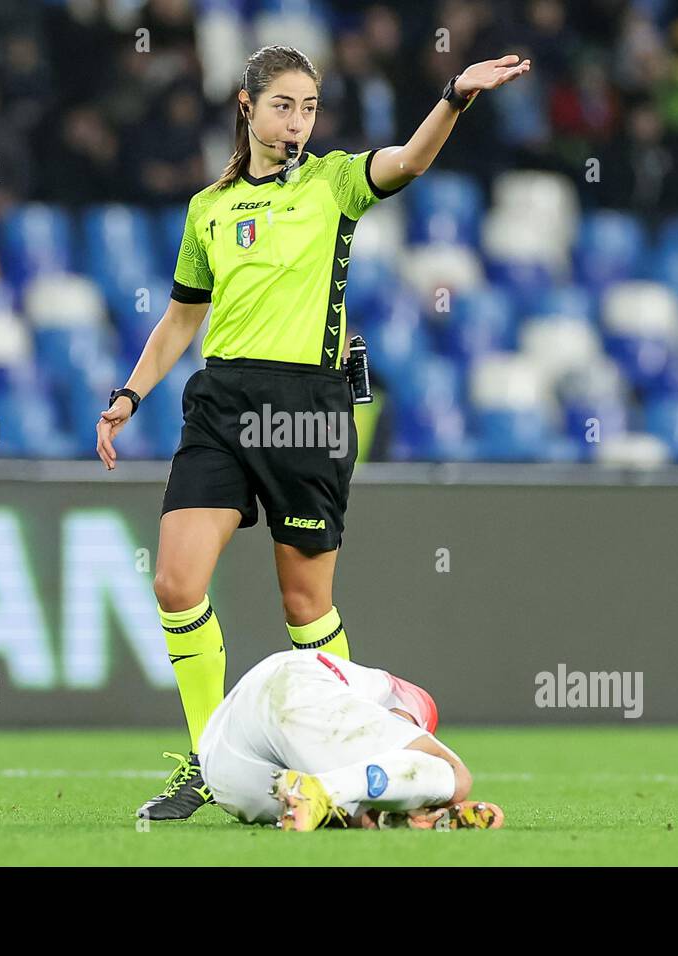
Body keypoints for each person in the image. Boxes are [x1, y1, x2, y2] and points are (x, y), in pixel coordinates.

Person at [96, 44, 531, 820]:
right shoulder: (210, 208)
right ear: (246, 106)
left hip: (307, 409)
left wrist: (453, 98)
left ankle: (355, 761)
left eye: (308, 107)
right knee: (174, 583)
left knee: (303, 603)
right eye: (282, 105)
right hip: (221, 403)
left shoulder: (334, 182)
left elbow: (407, 161)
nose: (296, 121)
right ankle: (207, 759)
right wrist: (131, 393)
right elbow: (181, 319)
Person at [198, 649, 504, 831]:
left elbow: (360, 796)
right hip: (288, 687)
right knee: (455, 776)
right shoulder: (405, 696)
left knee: (339, 805)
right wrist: (439, 795)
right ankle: (326, 790)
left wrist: (399, 812)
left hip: (224, 775)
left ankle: (378, 811)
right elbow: (407, 740)